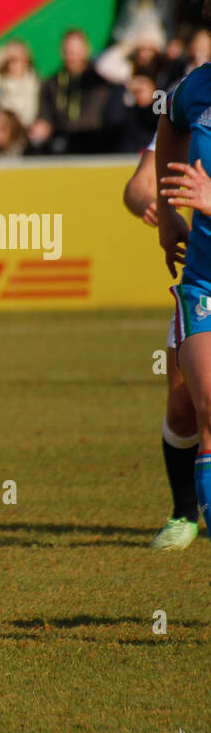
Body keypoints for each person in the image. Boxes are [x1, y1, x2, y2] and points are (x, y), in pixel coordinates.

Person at [123, 121, 199, 548]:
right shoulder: (193, 99)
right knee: (183, 403)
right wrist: (154, 206)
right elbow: (138, 186)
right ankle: (184, 514)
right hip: (203, 275)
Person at [156, 51, 211, 542]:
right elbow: (166, 125)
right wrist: (166, 207)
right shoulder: (196, 88)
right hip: (204, 281)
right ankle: (185, 513)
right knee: (197, 405)